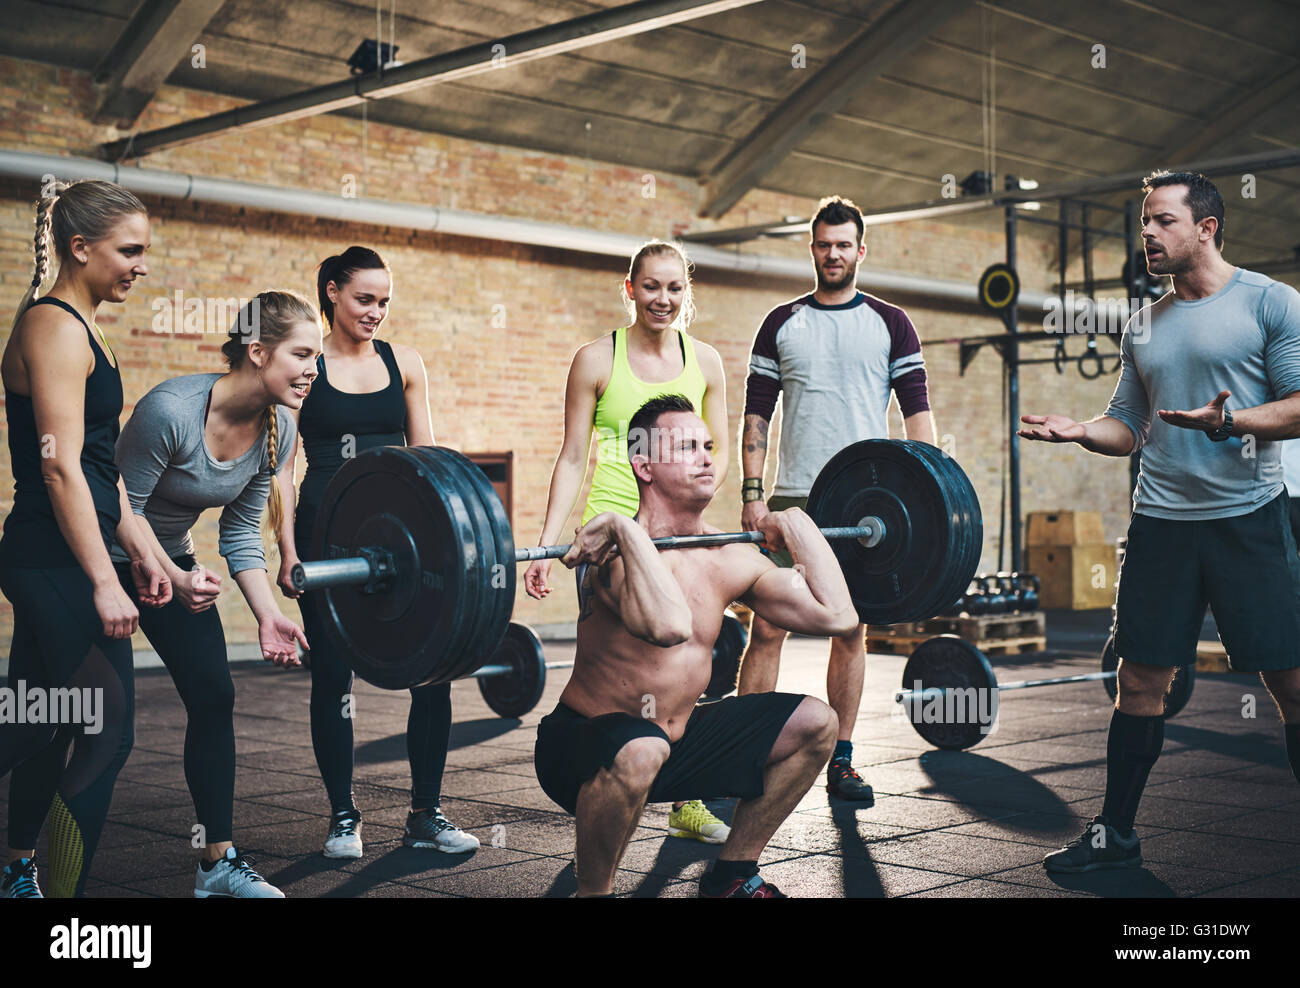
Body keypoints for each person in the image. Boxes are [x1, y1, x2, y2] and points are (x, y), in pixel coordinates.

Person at [1020, 171, 1300, 872]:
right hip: (1162, 525)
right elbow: (1128, 426)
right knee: (1140, 680)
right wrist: (1081, 429)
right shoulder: (1144, 323)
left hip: (1249, 519)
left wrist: (1228, 420)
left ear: (1206, 228)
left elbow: (1299, 404)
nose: (1148, 233)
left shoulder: (1270, 303)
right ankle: (1115, 835)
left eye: (1164, 221)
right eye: (1145, 221)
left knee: (1291, 681)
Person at [534, 395, 855, 897]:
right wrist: (621, 525)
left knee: (818, 723)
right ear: (644, 465)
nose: (707, 457)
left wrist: (795, 525)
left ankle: (733, 875)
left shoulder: (730, 556)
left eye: (707, 445)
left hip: (674, 744)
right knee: (642, 746)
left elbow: (838, 616)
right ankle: (592, 893)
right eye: (687, 447)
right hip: (582, 748)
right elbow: (667, 627)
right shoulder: (613, 554)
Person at [523, 240, 734, 844]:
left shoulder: (707, 363)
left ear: (685, 293)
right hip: (606, 537)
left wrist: (688, 522)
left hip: (676, 537)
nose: (661, 299)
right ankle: (610, 780)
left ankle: (683, 795)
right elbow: (571, 457)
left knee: (688, 661)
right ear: (630, 289)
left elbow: (711, 455)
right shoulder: (596, 359)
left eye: (674, 288)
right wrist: (546, 544)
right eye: (650, 287)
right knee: (621, 665)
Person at [110, 290, 318, 897]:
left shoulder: (279, 423)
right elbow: (116, 505)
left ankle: (215, 862)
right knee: (87, 719)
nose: (313, 369)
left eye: (317, 357)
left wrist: (268, 616)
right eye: (301, 354)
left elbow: (239, 534)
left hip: (166, 560)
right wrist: (172, 578)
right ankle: (21, 861)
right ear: (257, 351)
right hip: (97, 558)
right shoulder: (171, 411)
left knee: (214, 695)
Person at [276, 247, 478, 858]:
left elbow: (428, 454)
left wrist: (448, 534)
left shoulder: (405, 362)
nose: (376, 312)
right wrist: (287, 552)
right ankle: (343, 817)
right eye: (365, 299)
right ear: (332, 292)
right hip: (327, 529)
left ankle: (426, 813)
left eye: (385, 301)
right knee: (334, 675)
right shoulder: (306, 366)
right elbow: (281, 470)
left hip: (403, 534)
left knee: (432, 670)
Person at [0, 180, 170, 899]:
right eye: (129, 250)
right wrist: (104, 580)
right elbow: (59, 468)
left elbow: (105, 473)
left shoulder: (85, 327)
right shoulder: (56, 327)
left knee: (44, 721)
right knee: (106, 730)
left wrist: (148, 554)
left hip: (74, 552)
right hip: (52, 556)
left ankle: (14, 872)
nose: (141, 265)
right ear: (80, 248)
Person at [738, 195, 935, 801]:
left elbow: (918, 414)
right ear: (813, 248)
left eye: (843, 244)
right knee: (768, 630)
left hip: (866, 504)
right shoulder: (781, 322)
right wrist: (752, 495)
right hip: (795, 499)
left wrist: (925, 492)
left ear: (860, 250)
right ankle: (743, 752)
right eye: (823, 244)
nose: (833, 254)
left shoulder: (890, 322)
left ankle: (841, 759)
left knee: (850, 631)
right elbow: (755, 418)